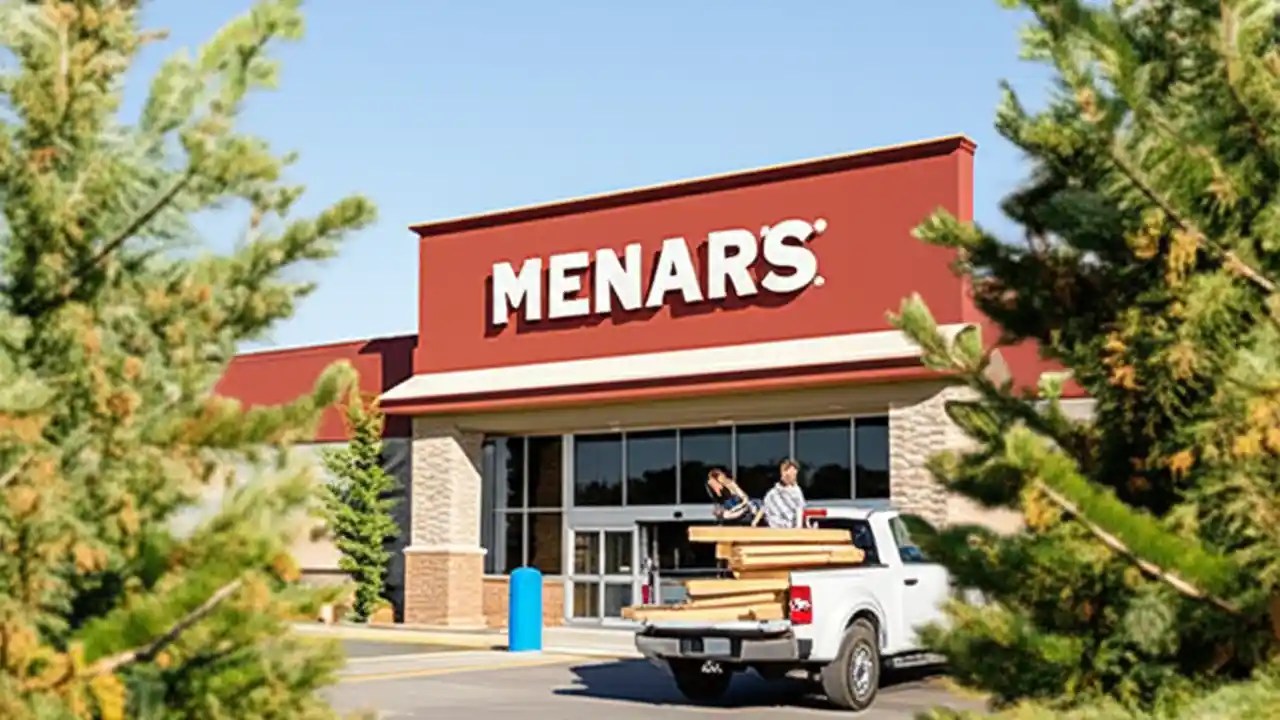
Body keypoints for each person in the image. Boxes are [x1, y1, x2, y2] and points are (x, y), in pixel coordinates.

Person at [763, 458, 806, 528]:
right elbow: (771, 517)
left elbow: (801, 511)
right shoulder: (772, 495)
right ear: (781, 473)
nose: (790, 476)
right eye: (786, 472)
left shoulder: (798, 492)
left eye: (793, 474)